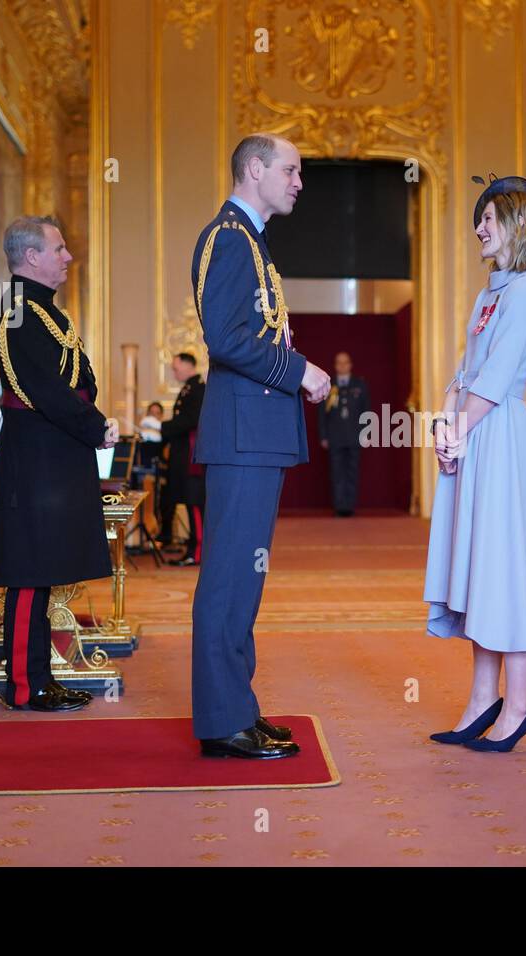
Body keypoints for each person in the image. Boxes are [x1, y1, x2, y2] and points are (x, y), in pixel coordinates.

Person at [189, 133, 331, 758]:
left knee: (244, 582)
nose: (299, 182)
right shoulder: (229, 238)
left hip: (256, 435)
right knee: (228, 579)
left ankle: (237, 708)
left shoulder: (252, 242)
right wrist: (299, 370)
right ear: (255, 169)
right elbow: (225, 338)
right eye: (291, 170)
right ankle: (222, 723)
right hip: (243, 436)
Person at [424, 175, 526, 753]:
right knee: (478, 568)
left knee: (504, 568)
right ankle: (483, 698)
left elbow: (498, 377)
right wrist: (446, 425)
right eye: (478, 218)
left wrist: (462, 426)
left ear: (518, 222)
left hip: (498, 432)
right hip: (473, 430)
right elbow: (465, 368)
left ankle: (521, 704)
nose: (479, 228)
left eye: (489, 218)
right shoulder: (490, 293)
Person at [0, 215, 118, 711]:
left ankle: (40, 678)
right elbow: (40, 389)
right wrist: (93, 424)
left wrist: (88, 420)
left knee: (43, 568)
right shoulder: (19, 313)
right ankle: (24, 684)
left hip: (56, 454)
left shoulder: (43, 312)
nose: (67, 256)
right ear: (32, 256)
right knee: (28, 571)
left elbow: (76, 377)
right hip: (36, 457)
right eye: (59, 248)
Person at [159, 353, 206, 566]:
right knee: (189, 502)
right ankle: (193, 549)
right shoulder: (190, 386)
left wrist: (161, 427)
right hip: (185, 455)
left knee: (194, 502)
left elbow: (189, 420)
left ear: (189, 366)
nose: (174, 372)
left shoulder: (198, 388)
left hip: (191, 457)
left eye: (176, 368)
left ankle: (198, 552)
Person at [318, 351, 370, 516]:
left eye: (345, 362)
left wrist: (367, 433)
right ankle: (339, 507)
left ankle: (350, 506)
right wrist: (323, 435)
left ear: (350, 365)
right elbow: (322, 414)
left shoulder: (359, 385)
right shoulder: (329, 385)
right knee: (337, 472)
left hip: (355, 435)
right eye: (338, 363)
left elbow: (366, 411)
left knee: (352, 472)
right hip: (335, 436)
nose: (342, 366)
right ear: (335, 365)